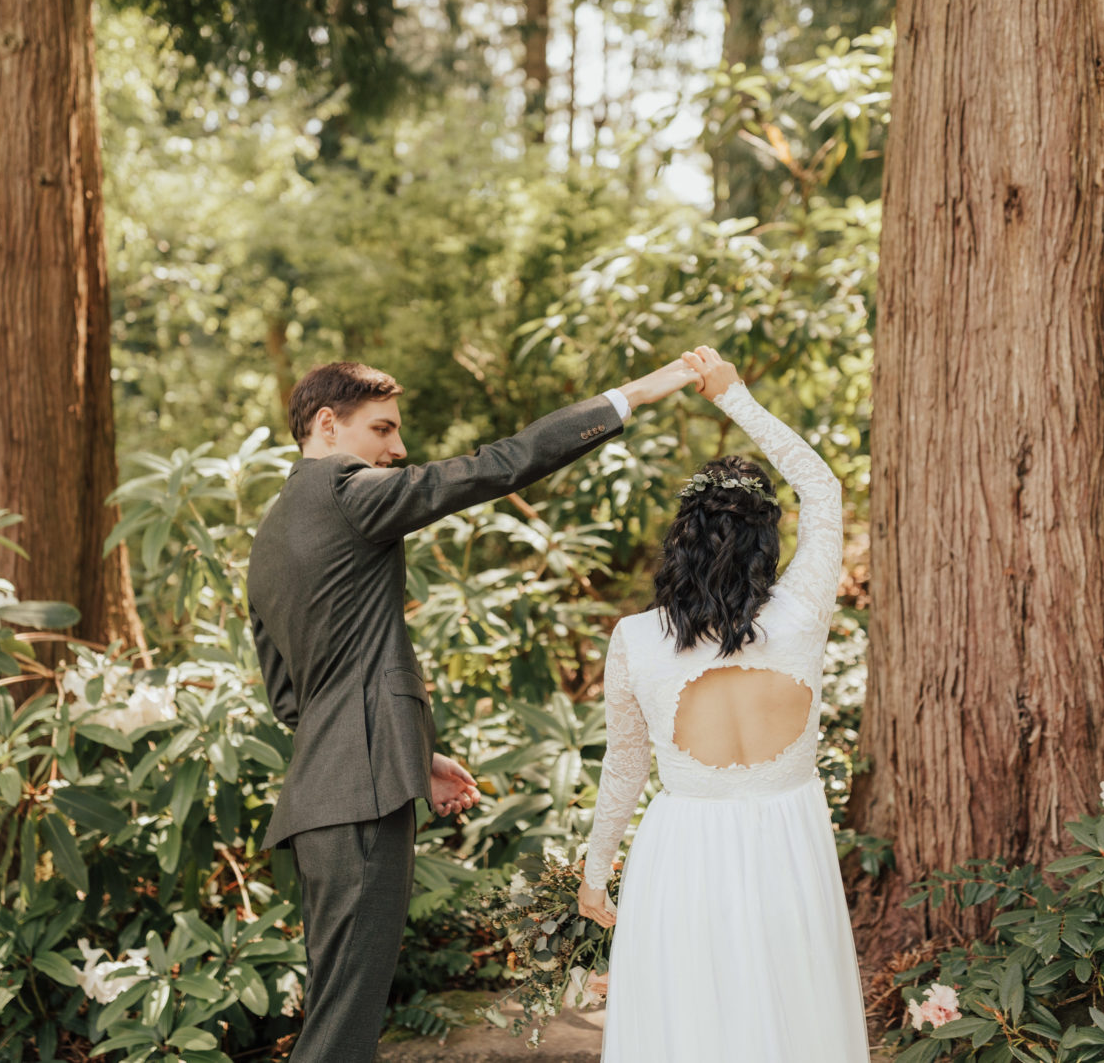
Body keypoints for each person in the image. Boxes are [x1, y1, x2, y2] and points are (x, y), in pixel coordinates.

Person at [248, 357, 698, 1063]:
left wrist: (409, 751)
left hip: (320, 802)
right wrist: (636, 392)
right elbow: (504, 463)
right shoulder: (349, 490)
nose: (397, 450)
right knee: (342, 1029)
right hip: (360, 802)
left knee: (338, 1010)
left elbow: (294, 698)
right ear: (326, 424)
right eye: (383, 428)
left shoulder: (269, 538)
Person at [578, 347, 869, 1060]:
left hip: (682, 854)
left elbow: (625, 766)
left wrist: (594, 871)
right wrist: (733, 394)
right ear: (768, 540)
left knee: (692, 1029)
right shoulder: (800, 615)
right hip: (789, 848)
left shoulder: (636, 639)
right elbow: (822, 490)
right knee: (789, 1024)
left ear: (680, 540)